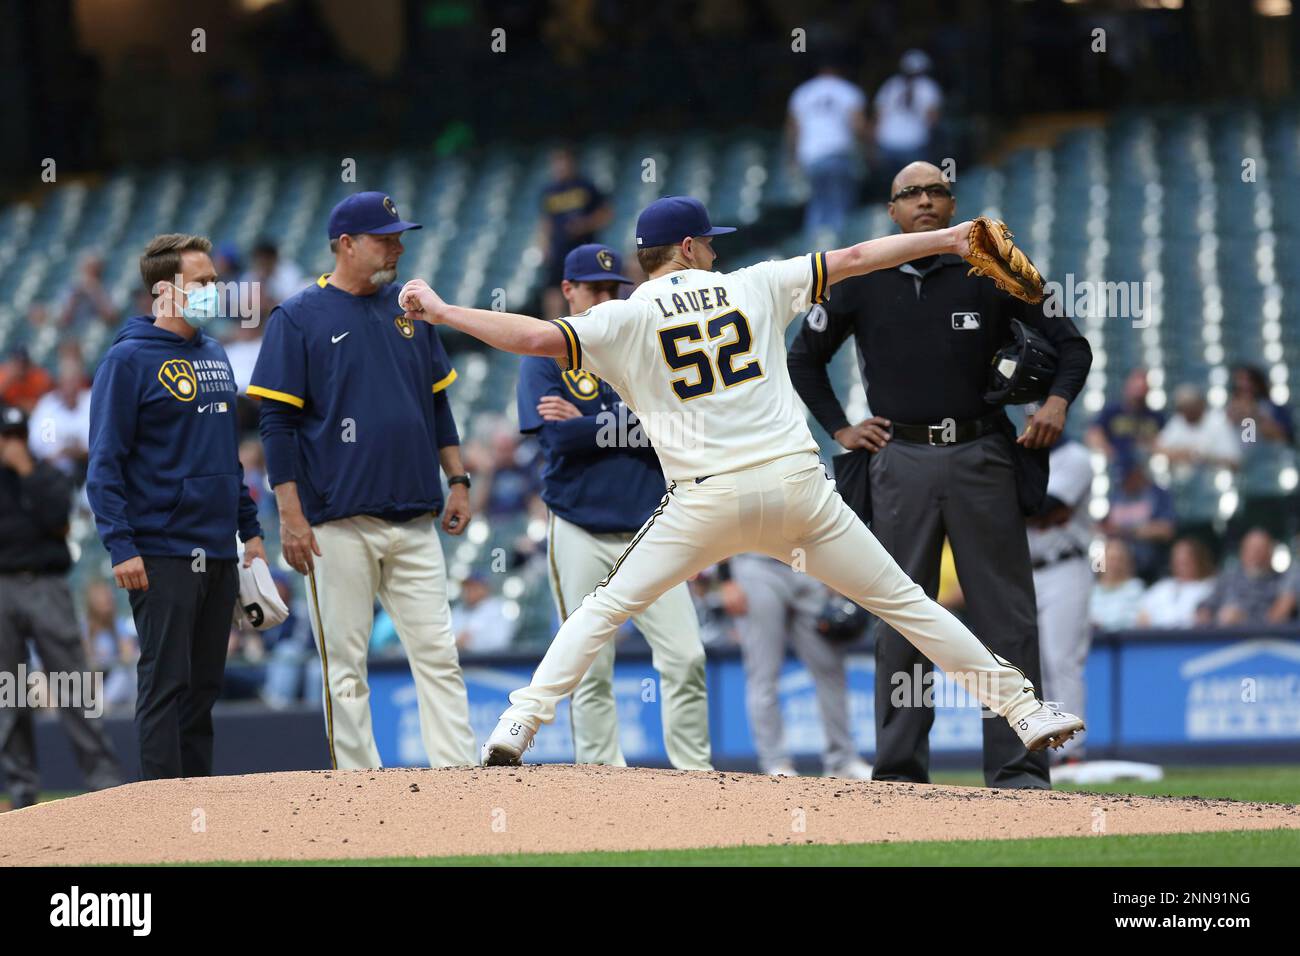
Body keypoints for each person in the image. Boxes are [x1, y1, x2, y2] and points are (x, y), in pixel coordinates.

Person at [398, 193, 1086, 766]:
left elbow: (532, 339)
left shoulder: (621, 317)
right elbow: (852, 259)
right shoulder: (751, 283)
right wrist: (951, 235)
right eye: (709, 241)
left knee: (603, 609)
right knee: (907, 602)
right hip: (797, 491)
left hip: (706, 499)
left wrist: (443, 310)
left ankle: (517, 725)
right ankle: (1024, 710)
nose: (716, 250)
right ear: (691, 247)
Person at [786, 162, 1093, 789]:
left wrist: (1057, 402)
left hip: (983, 452)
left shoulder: (994, 267)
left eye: (936, 191)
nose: (925, 201)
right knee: (900, 615)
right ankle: (900, 774)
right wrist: (841, 429)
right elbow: (802, 358)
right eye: (911, 194)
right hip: (900, 458)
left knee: (1005, 616)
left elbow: (1072, 345)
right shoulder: (859, 275)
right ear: (892, 211)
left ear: (952, 203)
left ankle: (1018, 770)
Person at [248, 191, 476, 770]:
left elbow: (437, 406)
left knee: (438, 655)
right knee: (344, 666)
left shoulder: (410, 312)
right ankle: (358, 788)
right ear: (346, 244)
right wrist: (290, 517)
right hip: (335, 523)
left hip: (416, 516)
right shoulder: (297, 316)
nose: (398, 244)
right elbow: (276, 423)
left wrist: (459, 478)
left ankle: (462, 780)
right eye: (385, 236)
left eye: (399, 234)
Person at [516, 243, 712, 771]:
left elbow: (683, 427)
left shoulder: (646, 343)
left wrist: (585, 423)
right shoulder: (547, 351)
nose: (604, 297)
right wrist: (635, 424)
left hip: (654, 527)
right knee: (589, 667)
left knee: (686, 656)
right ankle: (602, 779)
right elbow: (553, 440)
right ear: (568, 291)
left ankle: (697, 776)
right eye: (594, 289)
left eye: (612, 290)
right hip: (577, 524)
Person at [86, 233, 266, 781]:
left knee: (204, 685)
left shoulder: (215, 353)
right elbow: (104, 464)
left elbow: (226, 458)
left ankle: (197, 805)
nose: (216, 290)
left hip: (217, 547)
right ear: (165, 290)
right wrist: (121, 545)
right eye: (204, 282)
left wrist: (250, 530)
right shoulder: (127, 361)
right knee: (166, 682)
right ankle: (160, 814)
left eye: (216, 280)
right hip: (160, 549)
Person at [0, 404, 123, 808]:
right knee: (10, 695)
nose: (11, 445)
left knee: (73, 685)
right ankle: (21, 795)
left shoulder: (48, 476)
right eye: (6, 437)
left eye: (16, 437)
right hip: (3, 589)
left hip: (47, 585)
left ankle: (102, 783)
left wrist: (27, 473)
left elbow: (59, 517)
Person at [726, 555, 872, 778]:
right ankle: (776, 764)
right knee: (763, 673)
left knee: (830, 668)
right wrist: (726, 577)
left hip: (807, 564)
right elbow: (723, 520)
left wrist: (833, 573)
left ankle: (842, 761)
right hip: (757, 565)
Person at [1025, 438, 1095, 762]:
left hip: (1065, 565)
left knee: (1061, 659)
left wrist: (1010, 503)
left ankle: (1071, 752)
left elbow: (1044, 506)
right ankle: (1044, 749)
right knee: (1032, 664)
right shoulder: (1017, 453)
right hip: (1025, 569)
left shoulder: (1075, 457)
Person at [786, 56, 868, 242]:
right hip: (838, 155)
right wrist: (866, 152)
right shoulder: (847, 90)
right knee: (839, 206)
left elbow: (793, 129)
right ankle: (838, 254)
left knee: (817, 205)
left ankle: (812, 253)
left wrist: (792, 158)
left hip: (811, 157)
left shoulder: (804, 91)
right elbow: (859, 125)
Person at [538, 147, 613, 321]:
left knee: (585, 287)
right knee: (553, 289)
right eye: (556, 163)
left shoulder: (586, 186)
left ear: (572, 163)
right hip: (559, 250)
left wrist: (584, 225)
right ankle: (554, 327)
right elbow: (545, 222)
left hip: (583, 249)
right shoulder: (550, 191)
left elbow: (606, 214)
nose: (559, 167)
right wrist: (543, 245)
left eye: (563, 162)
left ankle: (587, 325)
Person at [1102, 454, 1175, 582]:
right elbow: (1104, 529)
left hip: (1150, 567)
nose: (1124, 484)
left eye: (1127, 478)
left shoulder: (1158, 494)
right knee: (1100, 552)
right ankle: (1100, 580)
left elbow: (1166, 530)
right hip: (1117, 566)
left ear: (1137, 472)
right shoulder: (1115, 495)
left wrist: (1127, 531)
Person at [1195, 528, 1289, 626]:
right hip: (1221, 637)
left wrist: (1244, 619)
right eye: (1251, 549)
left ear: (1270, 552)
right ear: (1242, 551)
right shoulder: (1227, 579)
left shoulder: (1282, 582)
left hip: (1261, 638)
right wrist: (1207, 614)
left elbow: (1277, 618)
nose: (1255, 554)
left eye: (1260, 549)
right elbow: (1206, 606)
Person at [871, 50, 943, 175]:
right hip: (914, 142)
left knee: (891, 186)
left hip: (888, 141)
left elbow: (878, 116)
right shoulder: (928, 86)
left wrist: (873, 145)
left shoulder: (890, 84)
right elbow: (933, 118)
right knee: (913, 186)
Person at [26, 354, 92, 480]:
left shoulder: (92, 400)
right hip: (55, 473)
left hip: (88, 468)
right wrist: (62, 451)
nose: (69, 387)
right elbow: (38, 443)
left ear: (81, 382)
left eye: (73, 381)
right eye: (65, 382)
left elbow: (101, 441)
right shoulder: (48, 406)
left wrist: (79, 451)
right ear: (58, 383)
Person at [1155, 384, 1242, 477]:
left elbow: (1234, 461)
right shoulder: (1179, 420)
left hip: (1212, 479)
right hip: (1181, 481)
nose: (1187, 413)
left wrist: (1205, 458)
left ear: (1200, 405)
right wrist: (1185, 453)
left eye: (1190, 408)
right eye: (1183, 409)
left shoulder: (1219, 421)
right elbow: (1158, 449)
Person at [1086, 366, 1165, 464]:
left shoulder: (1156, 417)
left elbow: (1164, 443)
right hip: (1117, 465)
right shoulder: (1112, 411)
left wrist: (1152, 449)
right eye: (1135, 388)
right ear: (1127, 387)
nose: (1138, 394)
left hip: (1145, 465)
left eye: (1142, 390)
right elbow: (1093, 434)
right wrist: (1108, 451)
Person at [1136, 537, 1217, 628]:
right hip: (1156, 638)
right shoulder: (1163, 586)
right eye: (1177, 560)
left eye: (1186, 560)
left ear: (1199, 560)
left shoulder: (1211, 586)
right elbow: (1142, 614)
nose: (1181, 565)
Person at [1227, 364, 1293, 445]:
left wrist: (1255, 415)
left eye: (1249, 380)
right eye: (1240, 380)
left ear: (1257, 384)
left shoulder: (1273, 409)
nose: (1244, 384)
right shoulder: (1225, 410)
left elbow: (1284, 438)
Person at [451, 573, 516, 654]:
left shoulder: (500, 609)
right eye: (467, 587)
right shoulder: (457, 611)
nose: (470, 590)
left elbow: (500, 642)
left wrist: (468, 643)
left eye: (475, 587)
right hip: (461, 661)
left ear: (485, 588)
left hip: (492, 662)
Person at [1088, 539, 1145, 631]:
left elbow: (1139, 619)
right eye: (1110, 559)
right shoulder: (1091, 590)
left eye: (1119, 559)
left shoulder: (1135, 588)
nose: (1114, 564)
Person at [0, 347, 52, 414]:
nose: (20, 367)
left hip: (26, 415)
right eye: (16, 363)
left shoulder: (39, 377)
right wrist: (8, 380)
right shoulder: (3, 373)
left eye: (23, 364)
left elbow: (48, 403)